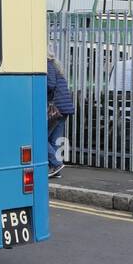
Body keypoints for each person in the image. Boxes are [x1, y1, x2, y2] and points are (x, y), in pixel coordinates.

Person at [46, 47, 74, 178]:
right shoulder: (55, 65)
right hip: (63, 108)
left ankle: (56, 164)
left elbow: (50, 84)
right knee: (54, 140)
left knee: (40, 138)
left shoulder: (47, 65)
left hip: (55, 109)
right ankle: (56, 170)